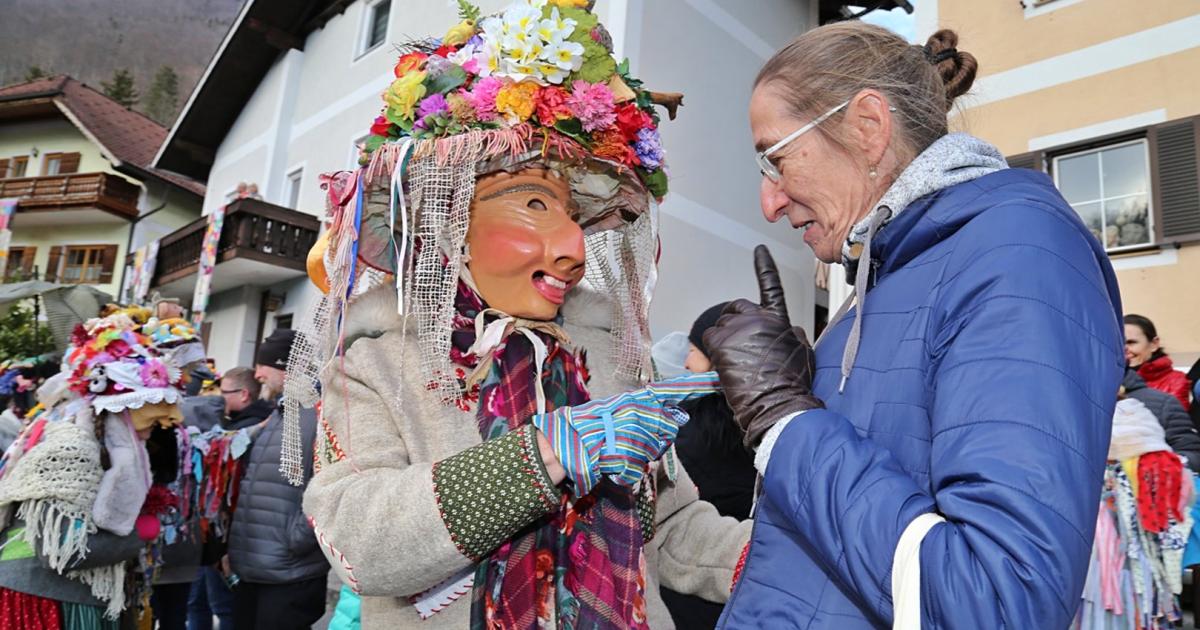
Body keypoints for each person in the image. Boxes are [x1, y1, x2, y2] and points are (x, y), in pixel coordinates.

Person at [294, 2, 750, 627]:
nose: (572, 250)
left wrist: (779, 556)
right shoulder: (379, 361)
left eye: (573, 217)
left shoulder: (607, 364)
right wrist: (542, 457)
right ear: (450, 222)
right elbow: (359, 543)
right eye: (535, 202)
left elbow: (668, 529)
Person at [704, 23, 1124, 628]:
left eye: (775, 159)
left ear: (868, 127)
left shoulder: (1017, 251)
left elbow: (1002, 602)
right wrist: (806, 393)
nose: (768, 203)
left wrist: (786, 423)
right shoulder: (892, 269)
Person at [0, 309, 188, 626]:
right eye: (149, 415)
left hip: (70, 594)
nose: (159, 427)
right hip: (42, 599)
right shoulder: (72, 449)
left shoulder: (112, 447)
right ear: (120, 410)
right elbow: (61, 550)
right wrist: (138, 533)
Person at [661, 302, 758, 629]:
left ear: (717, 355)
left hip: (687, 593)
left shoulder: (687, 429)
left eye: (693, 349)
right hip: (740, 592)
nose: (686, 360)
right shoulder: (765, 425)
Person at [225, 331, 327, 630]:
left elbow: (326, 483)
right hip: (256, 568)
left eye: (263, 365)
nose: (257, 375)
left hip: (289, 573)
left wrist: (297, 539)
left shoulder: (317, 415)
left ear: (286, 366)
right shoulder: (281, 414)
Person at [1125, 314, 1191, 411]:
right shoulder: (1106, 379)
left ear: (1154, 344)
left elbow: (1173, 420)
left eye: (1131, 342)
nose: (1125, 349)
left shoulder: (1176, 381)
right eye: (1119, 343)